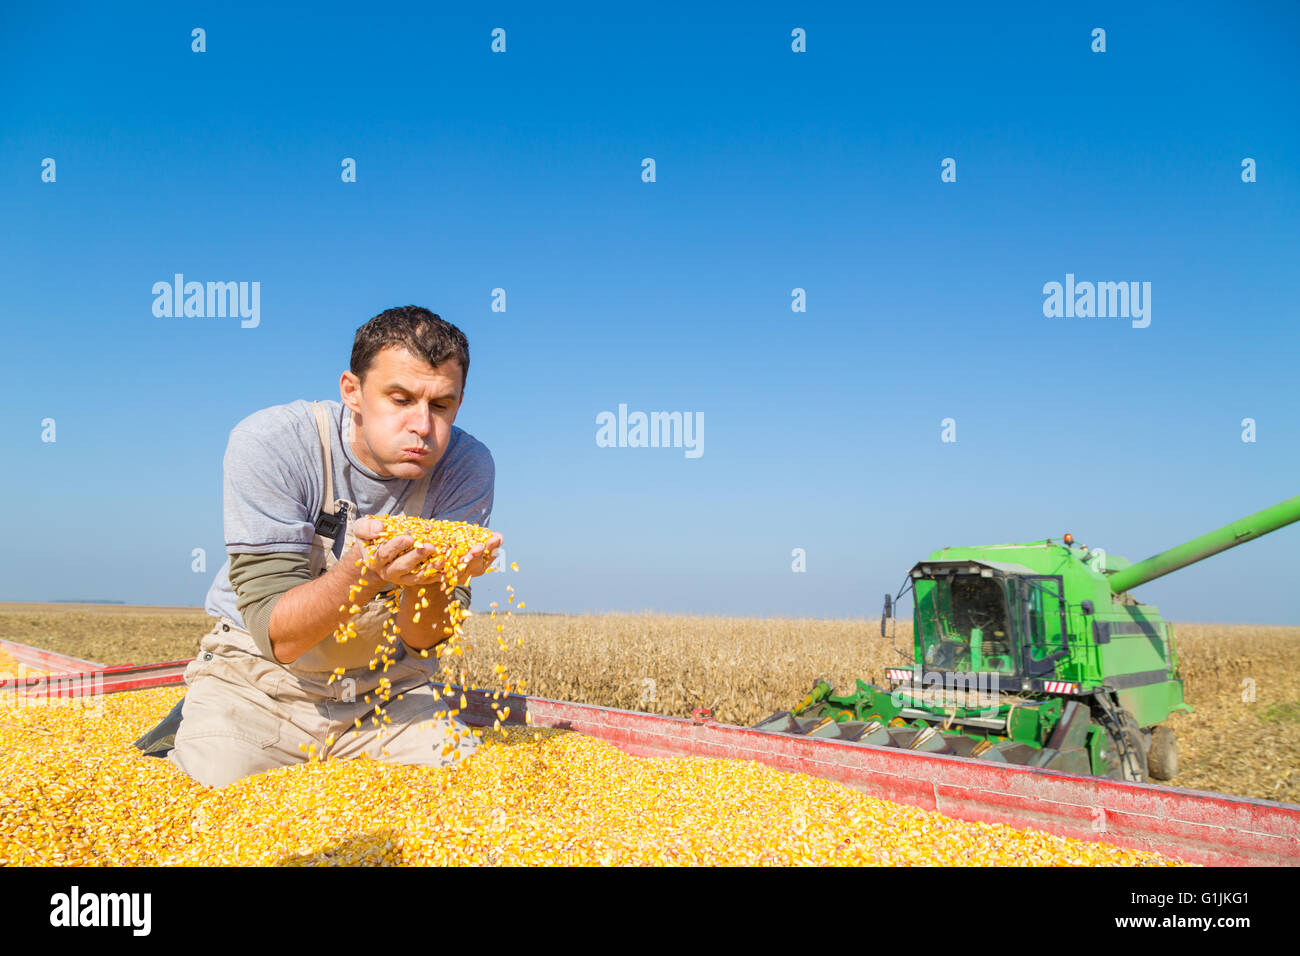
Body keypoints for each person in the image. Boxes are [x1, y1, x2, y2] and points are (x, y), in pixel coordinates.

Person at [136, 306, 502, 788]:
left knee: (469, 786)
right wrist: (365, 573)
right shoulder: (276, 443)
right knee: (219, 786)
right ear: (352, 391)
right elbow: (279, 637)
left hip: (385, 693)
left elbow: (423, 639)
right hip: (260, 682)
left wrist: (440, 574)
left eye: (440, 406)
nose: (422, 426)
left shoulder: (466, 466)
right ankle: (199, 718)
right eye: (399, 399)